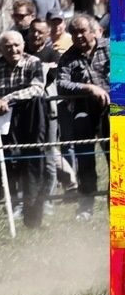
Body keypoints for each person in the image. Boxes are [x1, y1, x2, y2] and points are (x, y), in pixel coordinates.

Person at [0, 30, 49, 228]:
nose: (13, 49)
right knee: (5, 163)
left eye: (16, 45)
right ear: (0, 49)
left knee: (33, 163)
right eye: (8, 47)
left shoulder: (33, 62)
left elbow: (37, 88)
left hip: (29, 119)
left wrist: (6, 99)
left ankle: (33, 217)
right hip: (2, 122)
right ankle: (12, 206)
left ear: (23, 45)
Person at [55, 14, 109, 221]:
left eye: (82, 31)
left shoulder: (113, 48)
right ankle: (86, 205)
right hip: (83, 112)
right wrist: (88, 88)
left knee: (117, 159)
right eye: (74, 32)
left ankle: (117, 203)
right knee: (85, 160)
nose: (78, 36)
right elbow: (61, 85)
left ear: (93, 31)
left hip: (113, 109)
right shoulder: (68, 57)